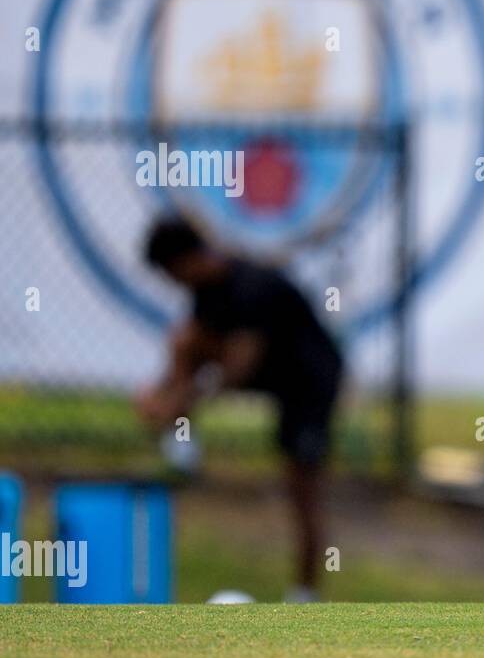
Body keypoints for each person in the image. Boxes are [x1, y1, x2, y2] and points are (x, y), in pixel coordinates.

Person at [137, 217, 343, 602]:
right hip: (270, 373)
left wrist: (179, 401)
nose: (170, 283)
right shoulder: (204, 291)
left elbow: (236, 369)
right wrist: (157, 395)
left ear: (185, 261)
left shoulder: (252, 287)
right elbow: (190, 352)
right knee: (184, 340)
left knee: (303, 489)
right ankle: (182, 445)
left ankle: (306, 593)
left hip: (309, 382)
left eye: (169, 273)